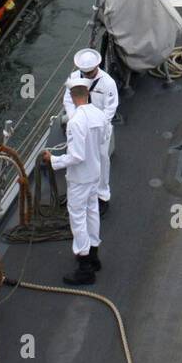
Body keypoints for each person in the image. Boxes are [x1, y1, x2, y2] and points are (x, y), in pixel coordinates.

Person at [44, 81, 110, 285]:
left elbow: (76, 156)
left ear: (72, 96)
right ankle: (94, 255)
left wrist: (53, 160)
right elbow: (103, 140)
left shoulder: (75, 122)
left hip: (80, 179)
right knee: (92, 212)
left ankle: (84, 267)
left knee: (78, 218)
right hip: (95, 174)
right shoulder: (100, 115)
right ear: (87, 93)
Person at [62, 48, 119, 213]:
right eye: (84, 73)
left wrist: (96, 125)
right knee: (74, 157)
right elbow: (68, 99)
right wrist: (75, 119)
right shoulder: (74, 78)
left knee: (101, 159)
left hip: (99, 128)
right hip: (79, 126)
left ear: (97, 67)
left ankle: (102, 195)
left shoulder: (108, 82)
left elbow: (110, 108)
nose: (87, 75)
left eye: (90, 72)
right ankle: (76, 193)